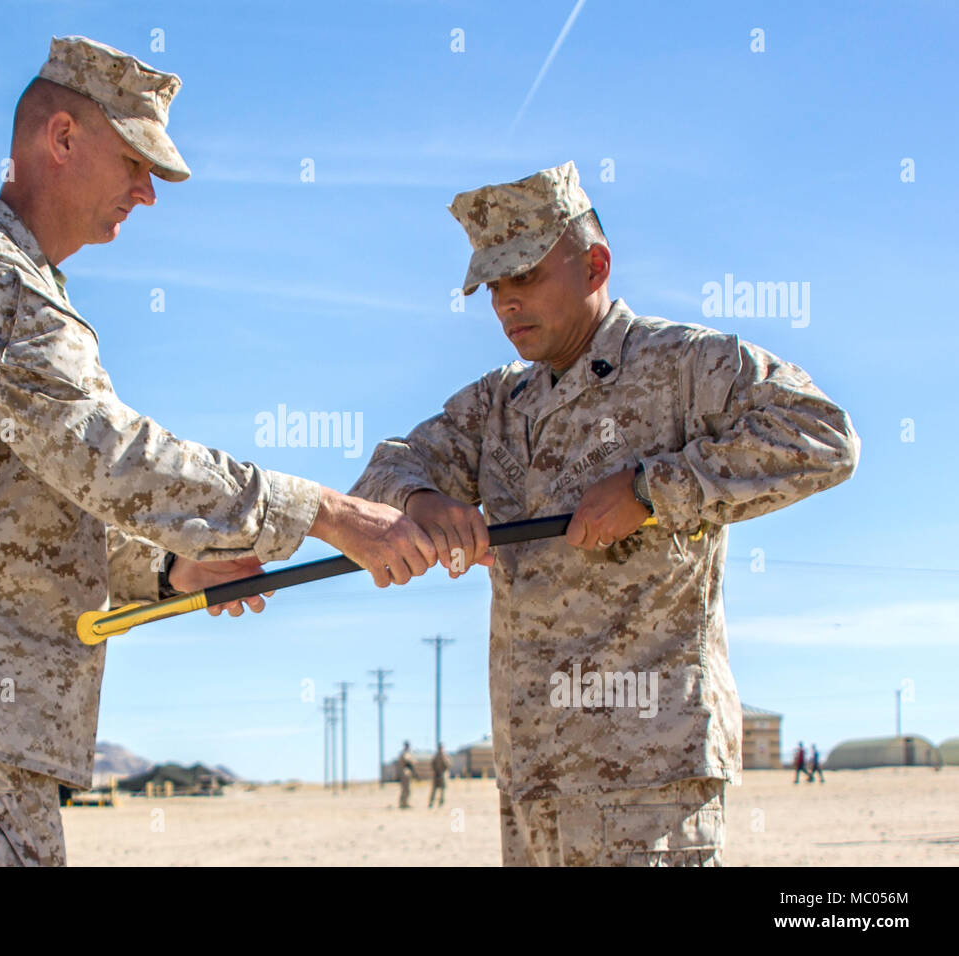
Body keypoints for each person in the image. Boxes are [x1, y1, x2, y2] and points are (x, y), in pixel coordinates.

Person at [0, 36, 436, 867]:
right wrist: (324, 512)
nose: (147, 194)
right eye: (136, 162)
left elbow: (25, 507)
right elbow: (102, 453)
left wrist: (166, 572)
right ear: (63, 138)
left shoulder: (19, 281)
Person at [349, 162, 859, 865]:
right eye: (492, 287)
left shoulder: (686, 367)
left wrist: (653, 490)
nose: (504, 304)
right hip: (534, 773)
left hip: (649, 778)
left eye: (523, 277)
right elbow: (382, 473)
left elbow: (822, 438)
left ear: (595, 265)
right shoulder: (499, 405)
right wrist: (423, 501)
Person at [429, 743, 450, 807]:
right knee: (435, 790)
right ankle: (432, 802)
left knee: (441, 790)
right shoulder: (438, 756)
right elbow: (432, 764)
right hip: (438, 774)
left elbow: (448, 765)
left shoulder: (441, 755)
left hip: (441, 774)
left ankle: (440, 802)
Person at [397, 741, 416, 809]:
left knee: (407, 789)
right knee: (405, 789)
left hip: (407, 772)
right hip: (405, 772)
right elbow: (408, 762)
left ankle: (404, 803)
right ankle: (403, 803)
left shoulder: (408, 753)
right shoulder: (405, 754)